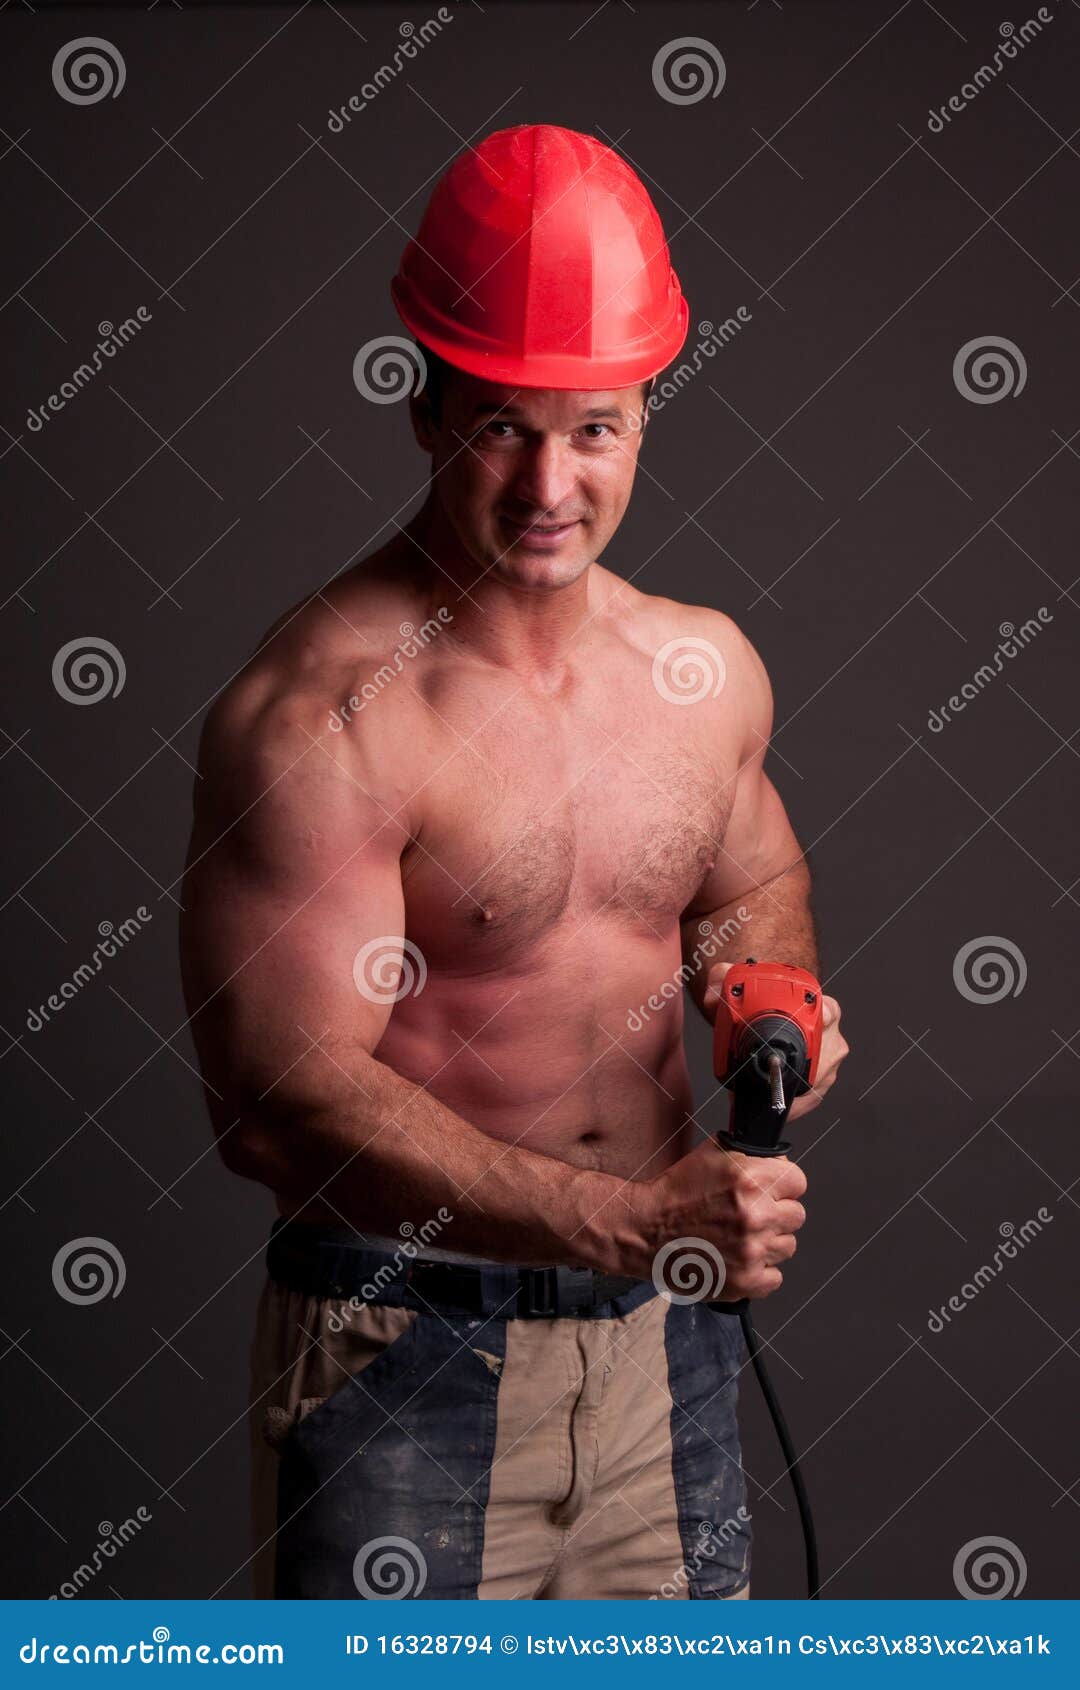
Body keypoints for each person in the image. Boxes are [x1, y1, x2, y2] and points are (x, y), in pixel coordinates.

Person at [178, 123, 849, 1602]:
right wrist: (627, 1218)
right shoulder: (325, 714)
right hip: (406, 1348)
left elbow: (746, 875)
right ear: (423, 412)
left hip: (665, 1351)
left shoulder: (701, 668)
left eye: (594, 428)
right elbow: (273, 1111)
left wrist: (767, 995)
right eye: (503, 425)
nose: (552, 483)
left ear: (646, 416)